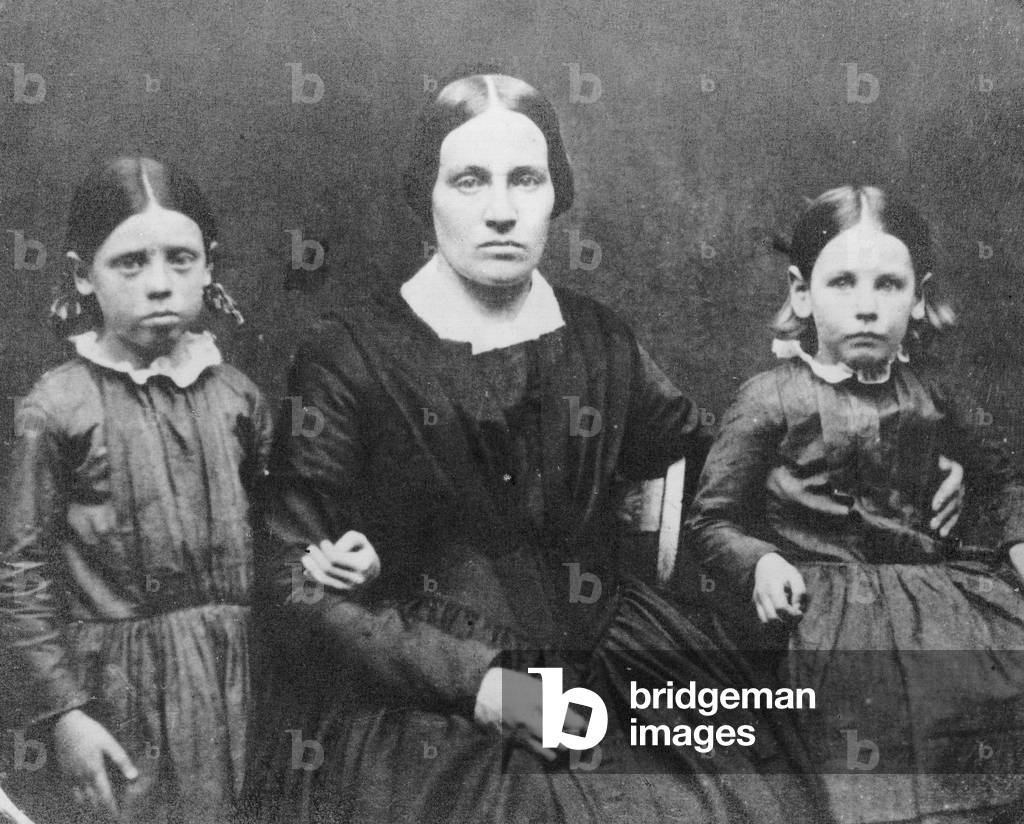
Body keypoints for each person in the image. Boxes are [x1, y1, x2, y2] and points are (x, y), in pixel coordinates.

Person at [243, 72, 844, 824]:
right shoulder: (347, 354)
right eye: (469, 180)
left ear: (556, 194)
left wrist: (878, 441)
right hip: (427, 696)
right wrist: (485, 685)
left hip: (610, 658)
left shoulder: (598, 340)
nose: (501, 211)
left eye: (525, 179)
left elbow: (725, 459)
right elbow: (291, 580)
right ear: (425, 200)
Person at [0, 156, 376, 823]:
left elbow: (284, 539)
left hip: (246, 687)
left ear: (209, 268)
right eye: (129, 263)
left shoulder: (237, 398)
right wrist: (65, 717)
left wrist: (343, 556)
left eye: (180, 259)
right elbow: (22, 575)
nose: (159, 285)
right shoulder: (55, 410)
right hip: (118, 699)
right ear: (84, 274)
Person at [685, 184, 1024, 823]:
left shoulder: (933, 395)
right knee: (864, 713)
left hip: (932, 600)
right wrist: (759, 563)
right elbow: (714, 517)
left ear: (919, 298)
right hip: (821, 610)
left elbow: (1003, 476)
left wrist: (1016, 540)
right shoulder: (770, 397)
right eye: (842, 283)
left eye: (889, 286)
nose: (867, 308)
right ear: (801, 292)